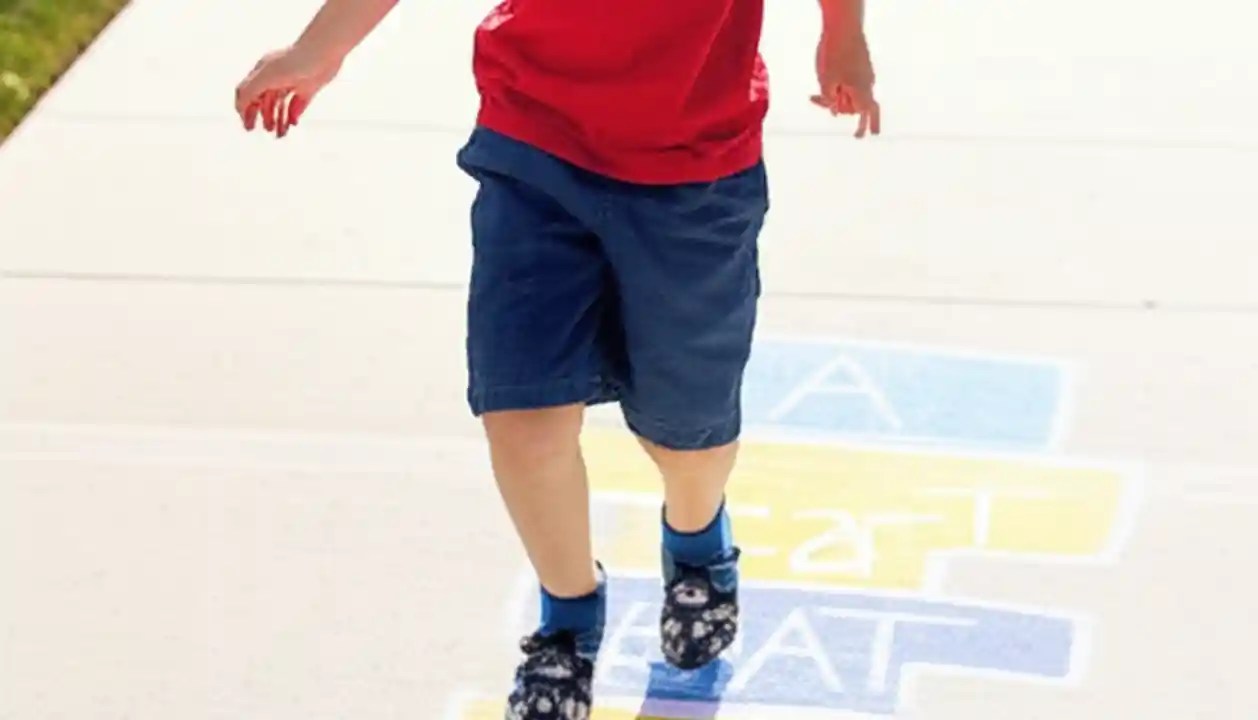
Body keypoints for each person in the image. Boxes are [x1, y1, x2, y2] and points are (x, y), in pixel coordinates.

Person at [233, 1, 879, 717]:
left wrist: (842, 33)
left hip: (693, 165)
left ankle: (697, 542)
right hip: (533, 142)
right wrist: (319, 48)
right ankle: (566, 627)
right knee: (522, 418)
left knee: (685, 434)